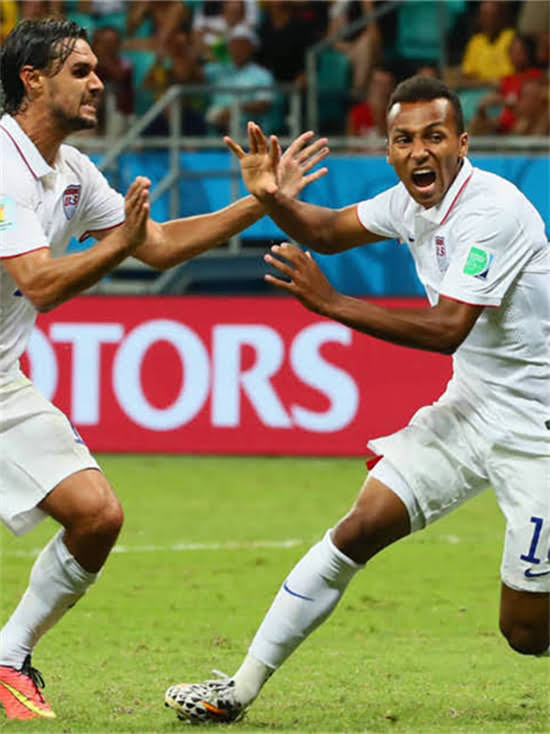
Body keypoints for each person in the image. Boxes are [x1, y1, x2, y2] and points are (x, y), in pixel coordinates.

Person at [164, 75, 550, 724]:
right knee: (357, 529)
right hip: (472, 406)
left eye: (434, 137)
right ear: (388, 148)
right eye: (403, 139)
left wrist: (333, 303)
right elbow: (327, 230)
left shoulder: (494, 212)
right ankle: (237, 689)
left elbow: (447, 328)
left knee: (526, 633)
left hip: (538, 430)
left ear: (462, 143)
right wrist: (271, 196)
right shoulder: (410, 203)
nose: (419, 151)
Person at [0, 17, 329, 721]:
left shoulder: (71, 170)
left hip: (2, 381)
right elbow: (41, 283)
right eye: (80, 71)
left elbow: (155, 244)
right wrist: (118, 243)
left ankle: (8, 656)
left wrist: (260, 201)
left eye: (96, 69)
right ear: (32, 80)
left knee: (96, 516)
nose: (99, 82)